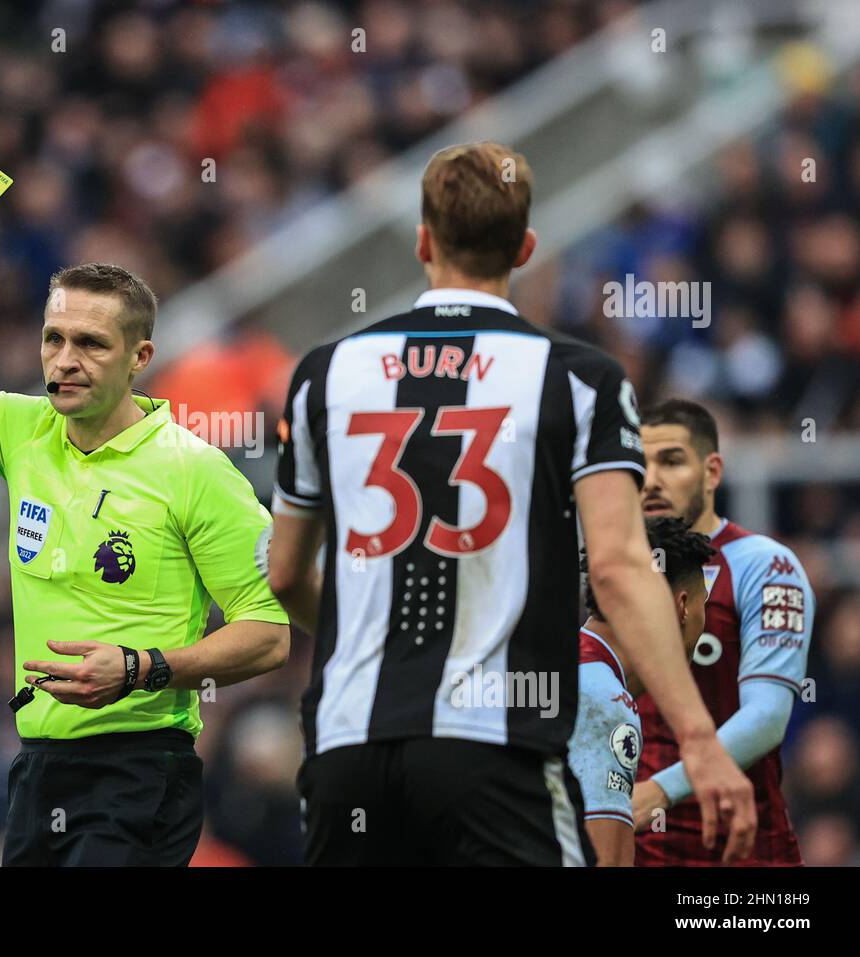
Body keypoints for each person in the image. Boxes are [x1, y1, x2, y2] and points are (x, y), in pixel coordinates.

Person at [265, 141, 755, 866]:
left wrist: (378, 647)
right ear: (525, 247)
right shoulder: (578, 378)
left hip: (348, 750)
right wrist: (700, 738)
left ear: (423, 241)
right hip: (494, 749)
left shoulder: (324, 373)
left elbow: (283, 575)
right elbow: (618, 567)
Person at [0, 189, 290, 865]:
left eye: (90, 342)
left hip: (140, 770)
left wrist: (145, 667)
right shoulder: (19, 430)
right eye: (54, 338)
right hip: (40, 769)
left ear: (140, 357)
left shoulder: (193, 469)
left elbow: (269, 634)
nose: (65, 358)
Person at [633, 399, 815, 865]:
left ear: (712, 471)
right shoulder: (605, 575)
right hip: (628, 846)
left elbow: (767, 718)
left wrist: (659, 790)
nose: (651, 479)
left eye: (671, 461)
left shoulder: (766, 567)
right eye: (639, 463)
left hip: (737, 850)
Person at [569, 516, 715, 866]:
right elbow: (608, 860)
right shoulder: (603, 700)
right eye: (703, 604)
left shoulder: (556, 665)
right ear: (682, 607)